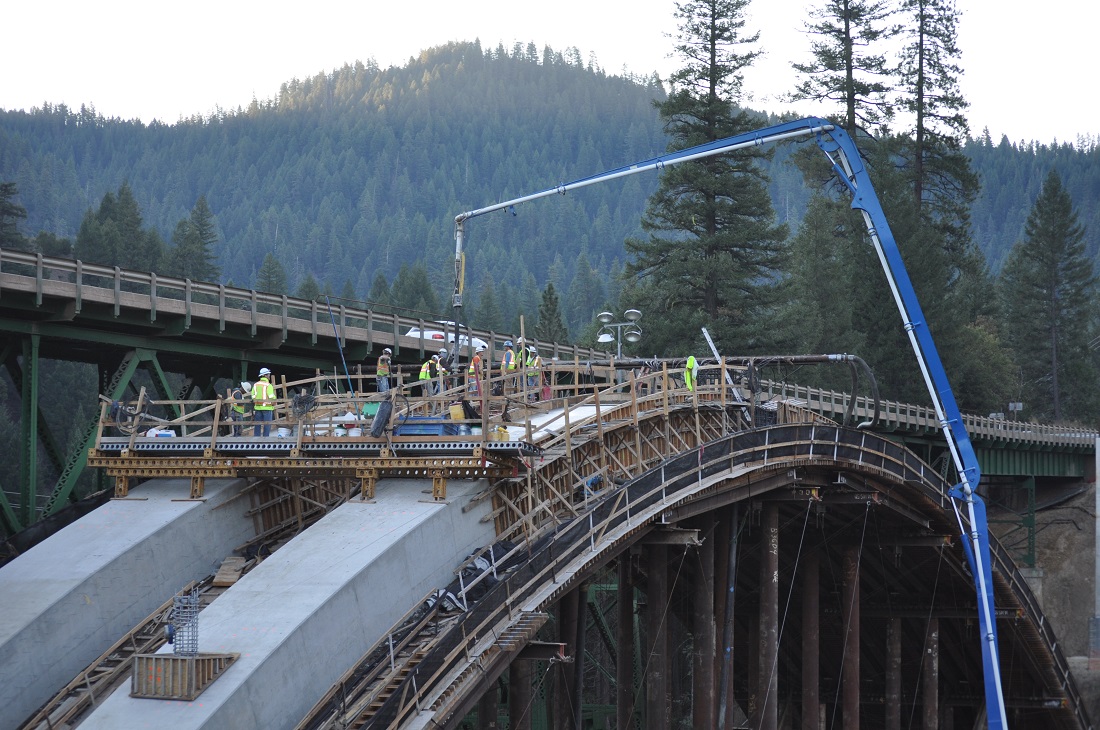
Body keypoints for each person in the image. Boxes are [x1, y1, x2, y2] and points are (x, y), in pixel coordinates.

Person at [251, 367, 276, 436]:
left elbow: (252, 396)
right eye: (268, 374)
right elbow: (271, 397)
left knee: (257, 425)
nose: (269, 376)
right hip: (267, 408)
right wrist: (274, 401)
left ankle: (256, 439)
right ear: (265, 375)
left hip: (258, 408)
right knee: (267, 426)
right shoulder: (268, 385)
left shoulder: (255, 385)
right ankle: (265, 440)